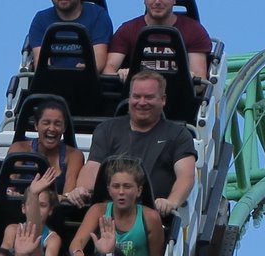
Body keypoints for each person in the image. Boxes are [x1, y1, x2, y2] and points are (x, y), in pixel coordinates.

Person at [75, 70, 197, 221]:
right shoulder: (106, 129)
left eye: (149, 97)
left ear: (163, 99)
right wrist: (81, 189)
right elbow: (93, 166)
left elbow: (186, 176)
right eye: (136, 96)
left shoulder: (179, 134)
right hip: (107, 214)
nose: (142, 102)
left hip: (153, 218)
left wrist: (171, 202)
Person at [102, 0, 211, 81]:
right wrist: (121, 74)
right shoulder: (128, 30)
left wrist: (188, 78)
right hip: (138, 97)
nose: (157, 1)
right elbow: (108, 70)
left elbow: (200, 80)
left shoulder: (194, 30)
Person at [70, 157, 162, 256]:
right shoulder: (97, 210)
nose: (121, 192)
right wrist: (78, 254)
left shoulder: (151, 217)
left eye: (127, 186)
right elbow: (77, 242)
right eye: (116, 186)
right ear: (108, 189)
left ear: (139, 190)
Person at [24, 0, 114, 68]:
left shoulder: (98, 16)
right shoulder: (41, 19)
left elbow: (99, 59)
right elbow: (41, 62)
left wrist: (85, 70)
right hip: (51, 80)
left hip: (89, 79)